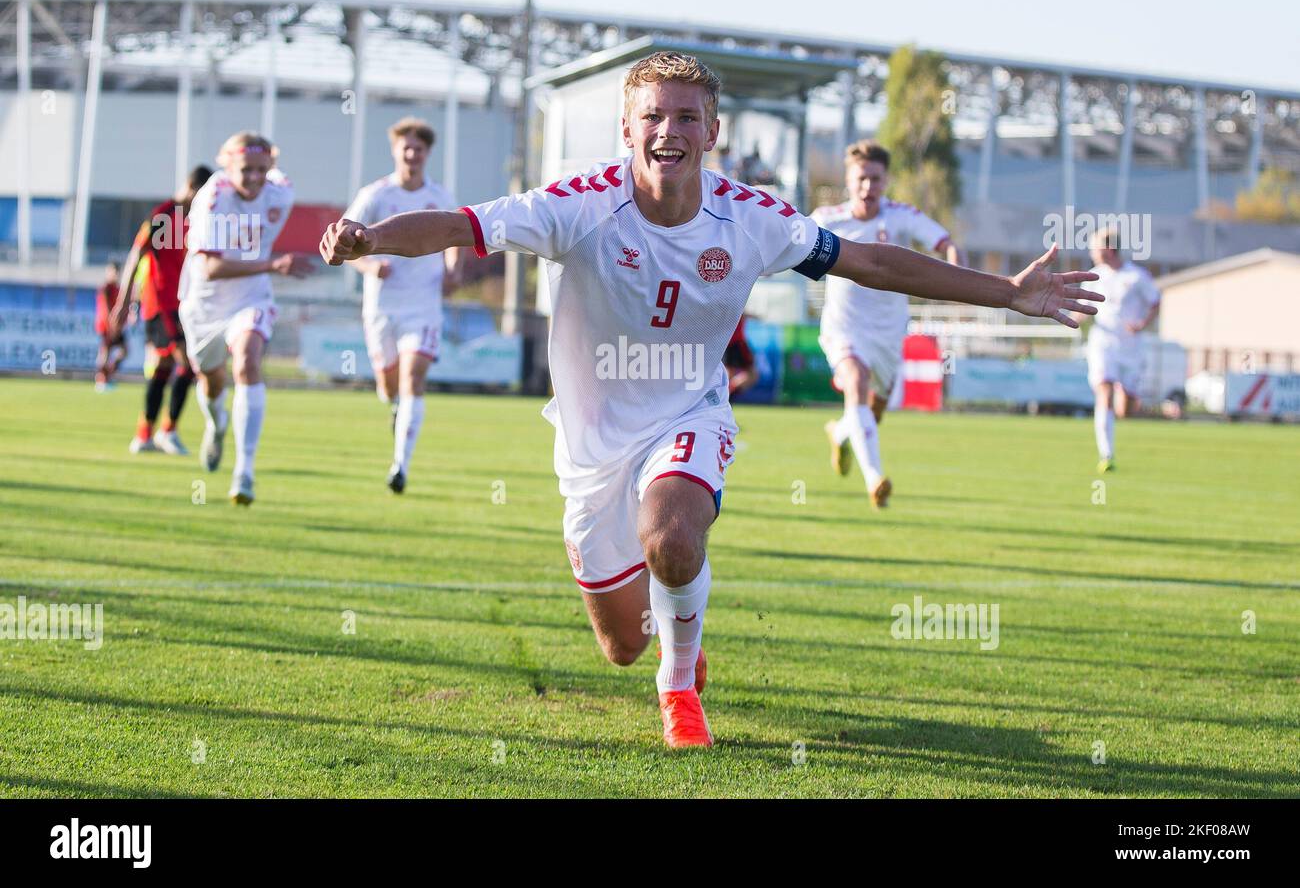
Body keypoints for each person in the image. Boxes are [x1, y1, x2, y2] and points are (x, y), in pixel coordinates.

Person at [318, 52, 1101, 748]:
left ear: (713, 131)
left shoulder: (752, 218)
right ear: (627, 129)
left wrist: (1006, 292)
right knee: (621, 644)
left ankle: (680, 687)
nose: (669, 131)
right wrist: (372, 237)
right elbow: (458, 225)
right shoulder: (577, 205)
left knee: (669, 533)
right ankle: (668, 625)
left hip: (689, 415)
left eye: (686, 117)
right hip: (591, 445)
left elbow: (870, 261)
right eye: (652, 116)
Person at [815, 140, 966, 508]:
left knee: (873, 412)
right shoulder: (826, 219)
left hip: (887, 331)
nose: (868, 187)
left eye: (876, 179)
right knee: (855, 382)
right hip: (844, 328)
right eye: (861, 179)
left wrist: (955, 265)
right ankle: (875, 479)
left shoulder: (901, 216)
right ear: (848, 181)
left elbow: (943, 241)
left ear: (886, 181)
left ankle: (841, 435)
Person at [178, 131, 312, 505]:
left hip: (251, 300)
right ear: (226, 165)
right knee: (211, 379)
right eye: (244, 169)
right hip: (204, 306)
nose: (254, 177)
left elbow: (278, 174)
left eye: (260, 169)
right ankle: (215, 422)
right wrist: (273, 264)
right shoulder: (213, 197)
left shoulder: (281, 191)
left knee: (248, 361)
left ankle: (244, 472)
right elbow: (208, 267)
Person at [342, 117, 462, 493]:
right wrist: (367, 264)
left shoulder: (440, 197)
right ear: (396, 150)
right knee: (389, 384)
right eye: (406, 148)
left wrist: (453, 269)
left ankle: (400, 467)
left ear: (427, 154)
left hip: (423, 304)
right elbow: (346, 241)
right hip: (383, 307)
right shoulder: (375, 194)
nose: (412, 154)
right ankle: (395, 407)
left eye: (419, 149)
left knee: (414, 378)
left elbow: (456, 236)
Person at [111, 165, 214, 454]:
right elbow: (136, 255)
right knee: (190, 363)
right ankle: (166, 432)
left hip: (184, 304)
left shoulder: (195, 219)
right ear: (192, 188)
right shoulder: (164, 215)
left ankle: (145, 435)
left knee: (165, 367)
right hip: (162, 304)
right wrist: (122, 302)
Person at [1081, 225, 1160, 473]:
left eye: (1095, 246)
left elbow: (1156, 302)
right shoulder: (1093, 276)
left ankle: (1133, 400)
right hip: (1102, 344)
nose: (1092, 251)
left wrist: (1142, 324)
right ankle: (1107, 454)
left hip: (1131, 348)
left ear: (1109, 248)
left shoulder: (1136, 276)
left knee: (1125, 408)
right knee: (1103, 391)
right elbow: (1081, 309)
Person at [93, 260, 128, 392]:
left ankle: (108, 374)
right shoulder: (105, 288)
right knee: (105, 353)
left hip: (117, 326)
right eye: (113, 271)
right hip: (106, 326)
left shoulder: (119, 288)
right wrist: (111, 324)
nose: (115, 274)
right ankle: (101, 380)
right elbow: (106, 309)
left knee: (124, 351)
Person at [723, 314, 756, 397]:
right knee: (752, 374)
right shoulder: (736, 307)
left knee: (728, 373)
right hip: (737, 344)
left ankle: (727, 391)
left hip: (725, 344)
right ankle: (730, 389)